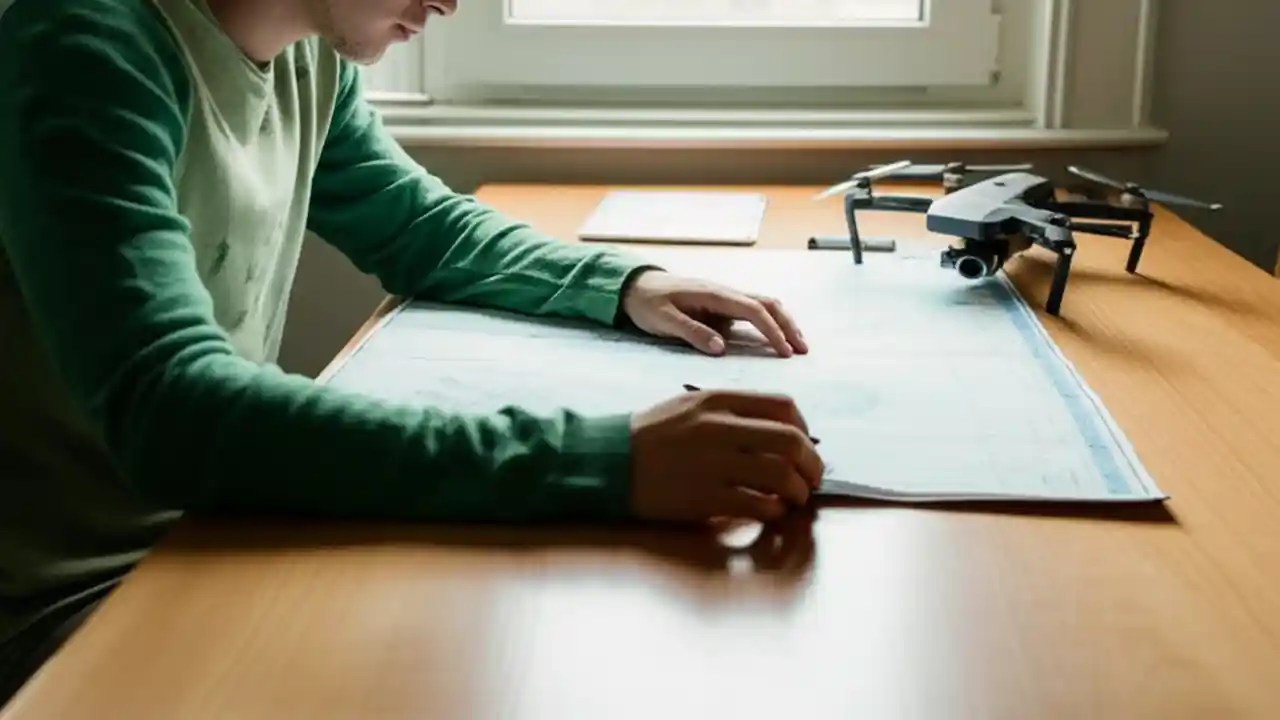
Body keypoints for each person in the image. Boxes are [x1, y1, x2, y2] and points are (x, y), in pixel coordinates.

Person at [0, 0, 825, 703]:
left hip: (219, 530)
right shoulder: (81, 50)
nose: (450, 4)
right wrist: (606, 460)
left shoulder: (304, 56)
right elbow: (172, 409)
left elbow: (420, 228)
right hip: (73, 598)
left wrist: (621, 283)